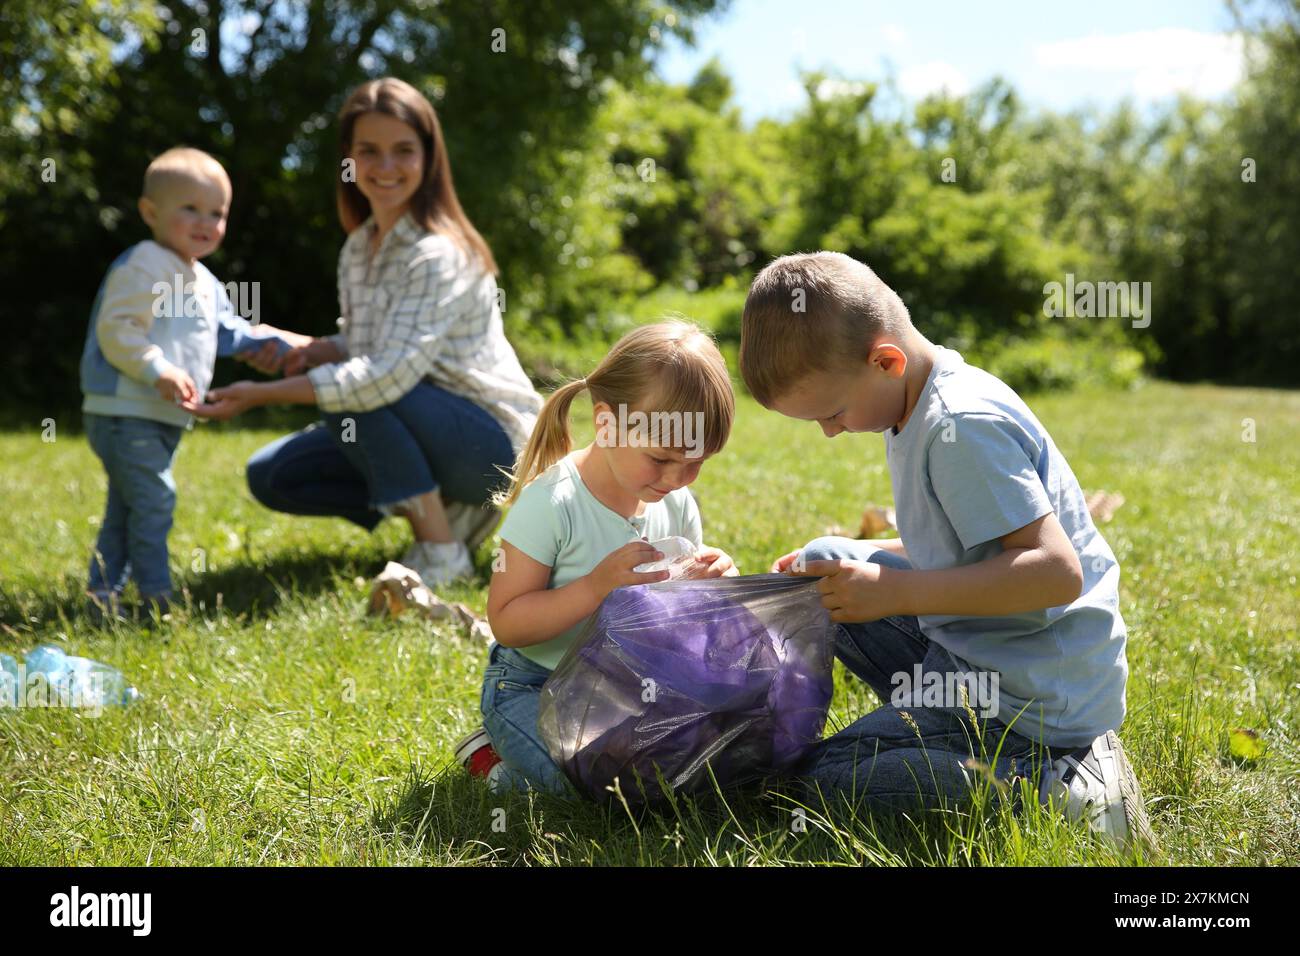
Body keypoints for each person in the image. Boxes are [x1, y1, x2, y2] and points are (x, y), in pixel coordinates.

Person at [741, 251, 1158, 854]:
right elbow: (962, 540)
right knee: (824, 566)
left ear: (885, 360)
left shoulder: (961, 426)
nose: (830, 431)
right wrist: (861, 559)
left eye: (831, 414)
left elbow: (1056, 573)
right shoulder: (910, 400)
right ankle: (935, 733)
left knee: (822, 782)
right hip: (977, 655)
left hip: (1030, 705)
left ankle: (1051, 783)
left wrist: (895, 591)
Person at [190, 78, 541, 586]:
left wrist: (262, 395)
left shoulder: (439, 253)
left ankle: (442, 551)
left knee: (353, 390)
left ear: (429, 157)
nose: (385, 166)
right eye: (368, 151)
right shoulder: (358, 248)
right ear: (348, 161)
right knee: (274, 475)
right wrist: (299, 347)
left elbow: (382, 376)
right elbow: (363, 345)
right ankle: (441, 510)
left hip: (492, 445)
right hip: (414, 417)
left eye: (403, 150)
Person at [455, 321, 740, 794]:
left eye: (697, 461)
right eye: (661, 458)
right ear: (606, 424)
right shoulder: (553, 503)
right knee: (592, 789)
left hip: (622, 684)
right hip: (533, 684)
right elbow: (507, 621)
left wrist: (712, 584)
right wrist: (594, 587)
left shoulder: (674, 502)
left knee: (689, 764)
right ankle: (493, 759)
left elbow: (678, 618)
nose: (678, 478)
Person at [79, 146, 303, 622]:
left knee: (128, 508)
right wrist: (156, 369)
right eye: (190, 208)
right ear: (149, 212)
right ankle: (157, 597)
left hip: (159, 414)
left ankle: (103, 598)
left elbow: (226, 332)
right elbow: (117, 331)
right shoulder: (145, 264)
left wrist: (278, 347)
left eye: (217, 213)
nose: (205, 222)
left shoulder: (203, 279)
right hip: (125, 410)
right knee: (155, 500)